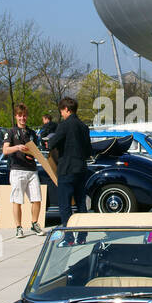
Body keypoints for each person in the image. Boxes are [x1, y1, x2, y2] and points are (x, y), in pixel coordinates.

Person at [43, 96, 93, 226]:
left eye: (62, 111)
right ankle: (83, 235)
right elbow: (88, 151)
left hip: (66, 169)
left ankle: (69, 236)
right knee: (81, 203)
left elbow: (52, 143)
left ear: (66, 109)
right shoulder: (84, 127)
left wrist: (49, 142)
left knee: (65, 205)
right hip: (81, 169)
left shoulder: (64, 125)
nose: (62, 114)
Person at [3, 104, 44, 237]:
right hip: (17, 169)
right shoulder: (10, 132)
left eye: (24, 115)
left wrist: (32, 153)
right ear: (16, 116)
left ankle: (35, 223)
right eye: (20, 115)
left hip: (32, 169)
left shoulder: (32, 133)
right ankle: (18, 227)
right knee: (17, 200)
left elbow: (37, 151)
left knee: (37, 198)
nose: (22, 118)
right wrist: (18, 147)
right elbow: (5, 150)